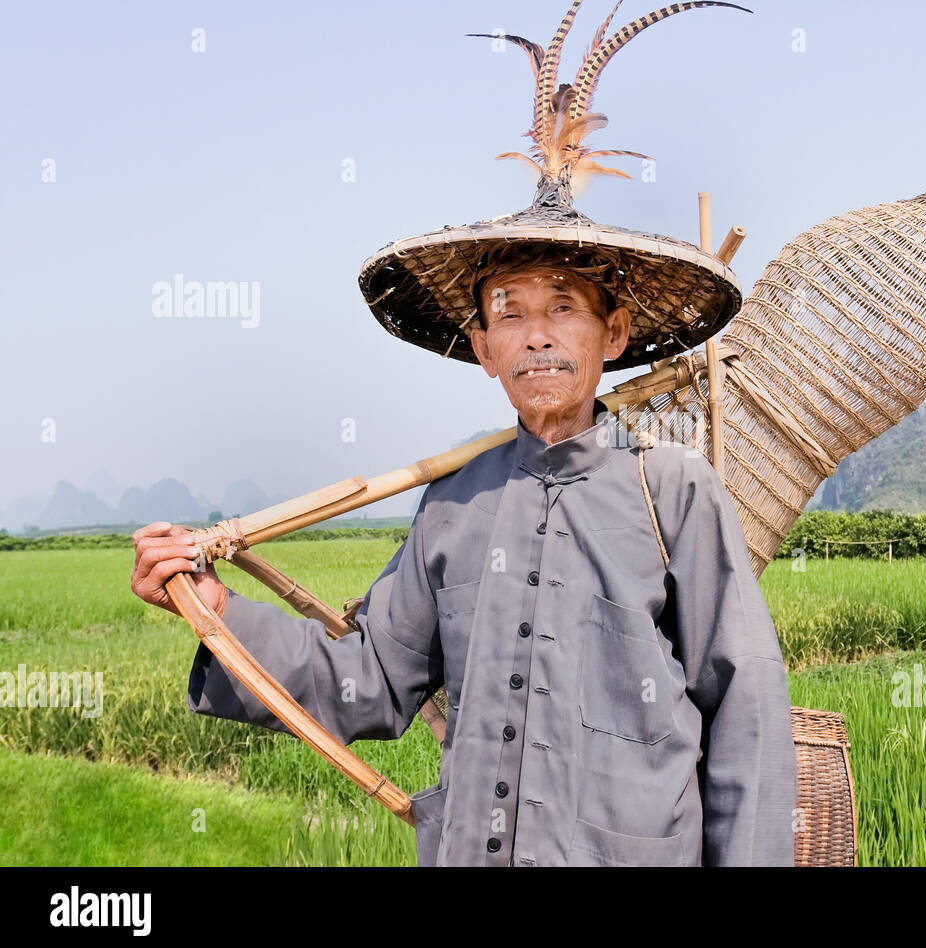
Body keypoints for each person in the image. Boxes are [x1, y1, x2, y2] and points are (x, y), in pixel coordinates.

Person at [130, 0, 797, 866]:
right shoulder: (454, 506)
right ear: (482, 348)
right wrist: (219, 614)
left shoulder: (670, 492)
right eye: (509, 313)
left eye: (565, 307)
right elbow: (367, 679)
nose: (540, 334)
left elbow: (744, 708)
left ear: (615, 335)